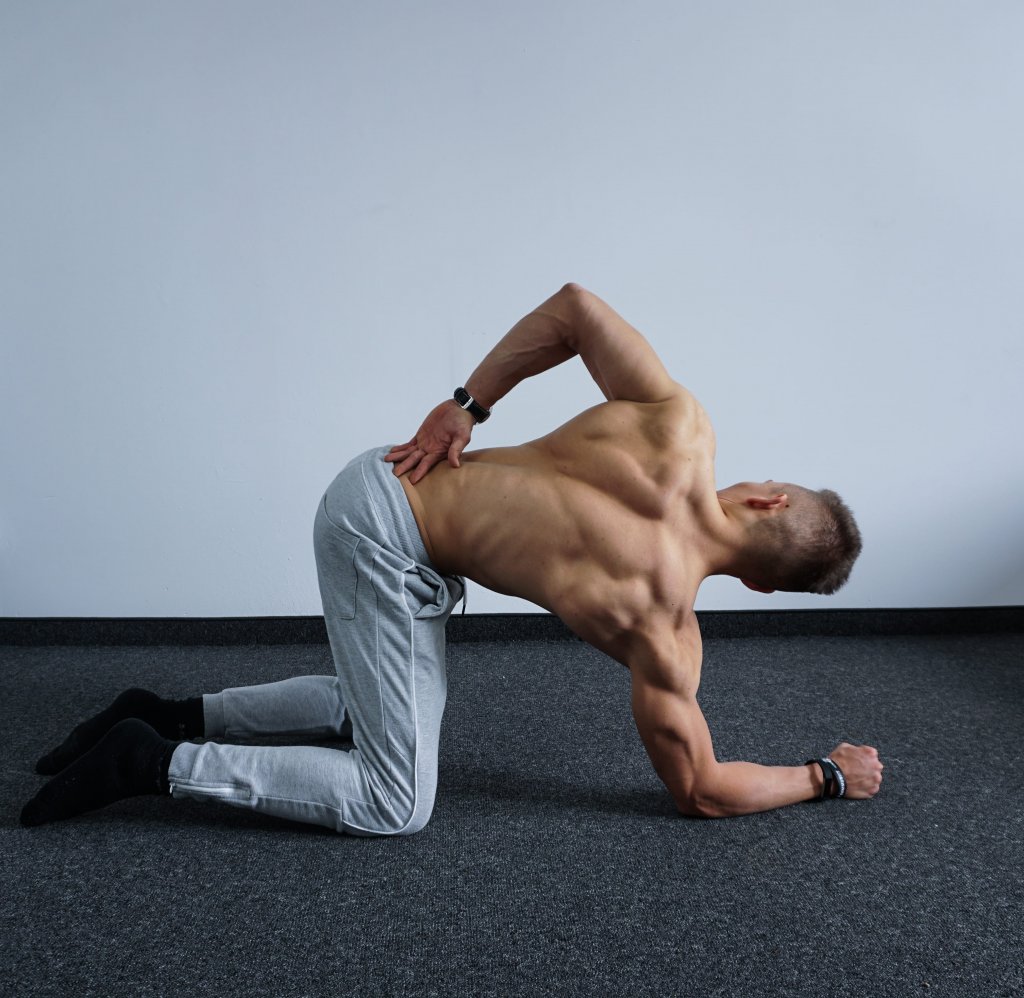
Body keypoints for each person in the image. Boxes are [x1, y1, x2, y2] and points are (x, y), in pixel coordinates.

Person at [21, 283, 881, 833]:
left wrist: (467, 404)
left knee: (384, 712)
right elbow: (699, 789)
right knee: (395, 802)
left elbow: (577, 308)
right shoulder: (665, 636)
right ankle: (149, 761)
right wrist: (825, 778)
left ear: (766, 497)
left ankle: (171, 712)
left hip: (387, 501)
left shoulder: (680, 429)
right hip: (381, 534)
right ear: (767, 582)